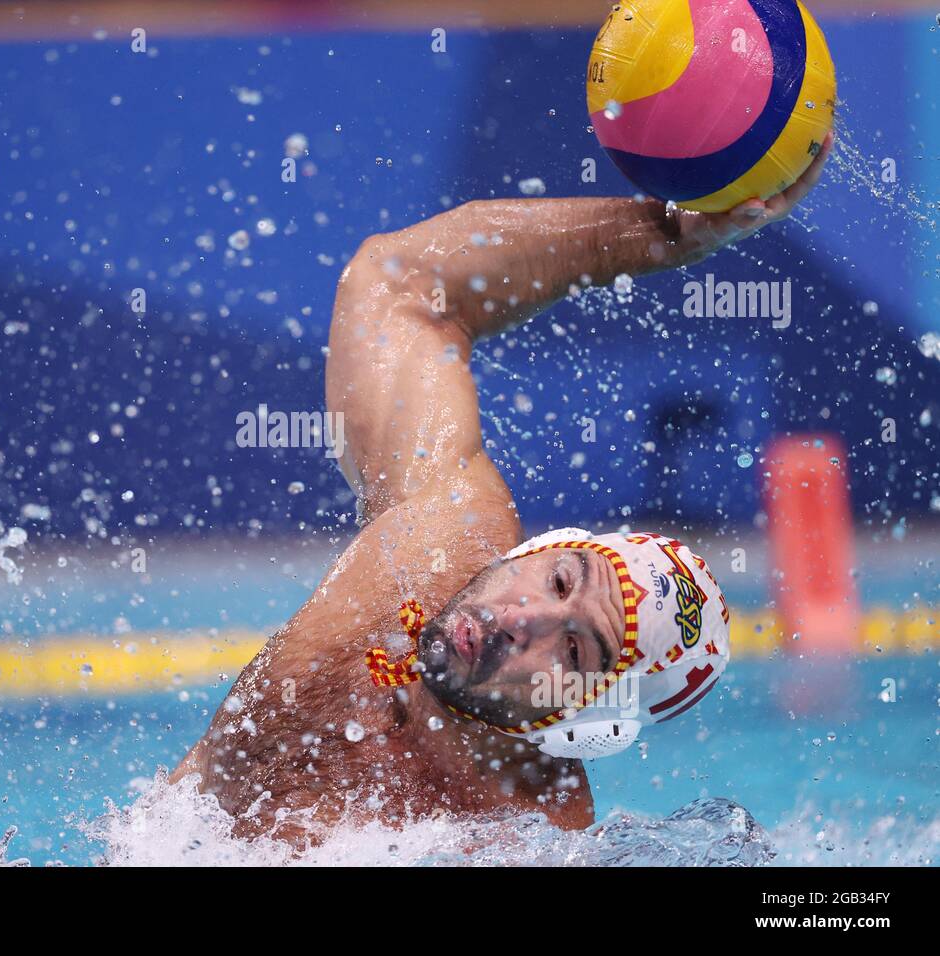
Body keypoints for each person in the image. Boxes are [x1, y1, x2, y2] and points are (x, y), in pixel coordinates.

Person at [183, 133, 832, 846]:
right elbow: (400, 282)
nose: (523, 617)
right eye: (558, 580)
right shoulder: (436, 539)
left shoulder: (521, 835)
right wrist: (659, 235)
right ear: (542, 548)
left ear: (582, 722)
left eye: (575, 652)